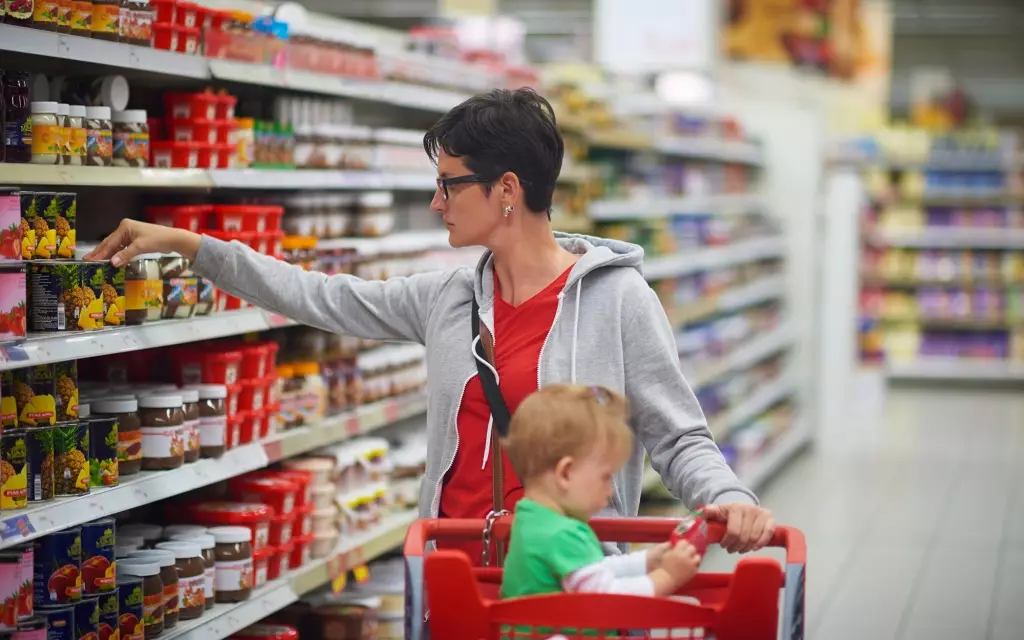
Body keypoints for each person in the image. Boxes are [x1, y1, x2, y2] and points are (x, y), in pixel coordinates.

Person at [85, 87, 773, 561]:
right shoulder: (446, 298)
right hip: (449, 571)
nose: (436, 199)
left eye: (450, 183)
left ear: (507, 190)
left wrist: (731, 500)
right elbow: (318, 295)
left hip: (565, 574)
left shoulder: (618, 301)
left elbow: (677, 438)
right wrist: (191, 245)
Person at [500, 384, 702, 600]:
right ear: (566, 474)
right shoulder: (563, 534)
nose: (610, 491)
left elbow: (590, 570)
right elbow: (607, 601)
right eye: (605, 477)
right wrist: (668, 576)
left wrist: (647, 561)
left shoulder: (530, 517)